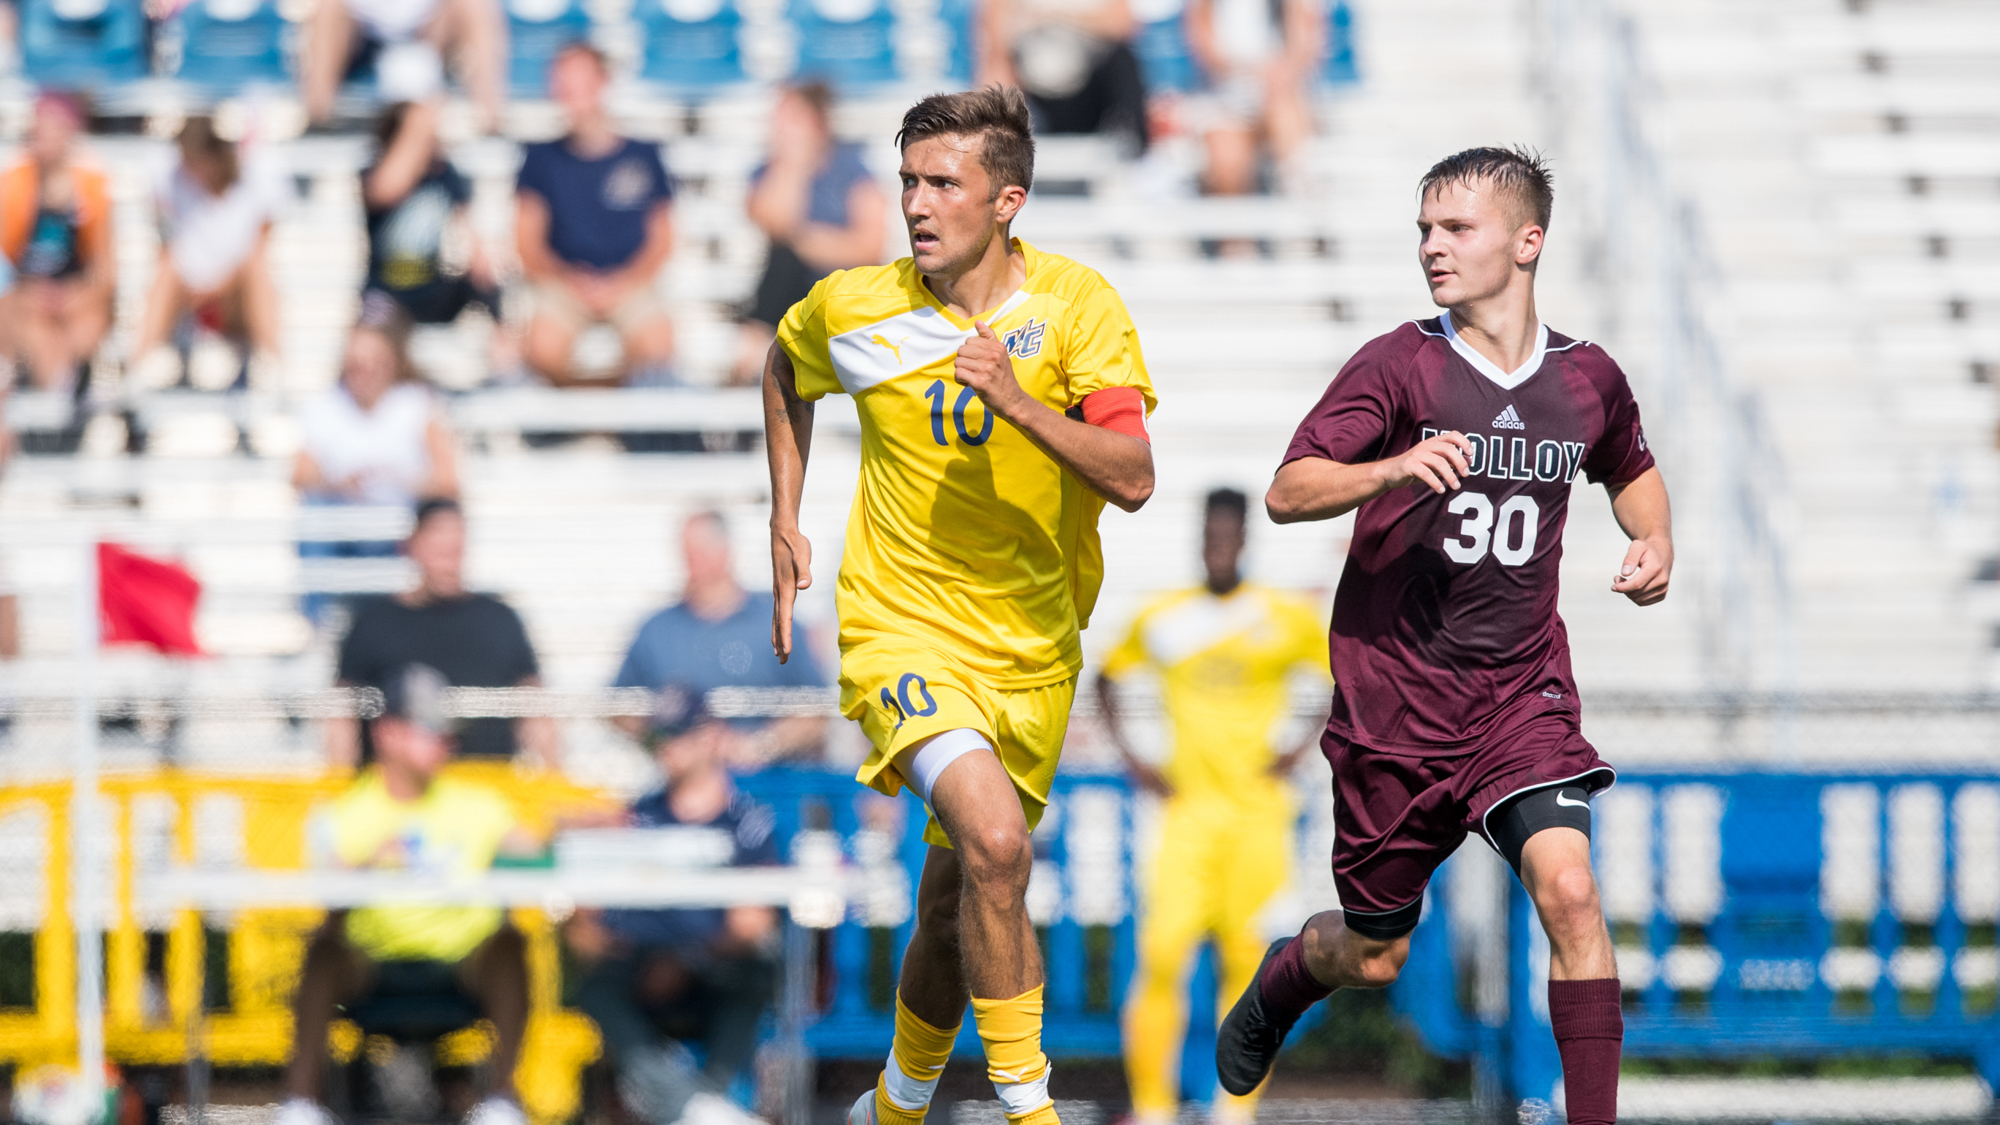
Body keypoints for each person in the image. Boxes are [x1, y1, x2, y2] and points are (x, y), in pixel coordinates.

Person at [1216, 148, 1673, 1125]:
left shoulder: (1585, 378)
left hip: (1517, 700)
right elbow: (1287, 490)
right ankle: (1289, 974)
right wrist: (1388, 470)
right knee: (1375, 952)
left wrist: (1655, 539)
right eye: (1422, 228)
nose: (1431, 246)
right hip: (1395, 709)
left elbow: (1629, 469)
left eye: (1454, 229)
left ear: (1525, 241)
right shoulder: (1398, 364)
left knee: (1571, 892)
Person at [765, 86, 1157, 1125]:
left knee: (953, 904)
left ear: (1006, 200)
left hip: (1031, 649)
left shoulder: (1076, 309)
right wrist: (783, 520)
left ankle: (892, 1107)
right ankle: (1032, 1109)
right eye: (908, 182)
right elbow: (783, 366)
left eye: (944, 183)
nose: (917, 204)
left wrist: (1019, 405)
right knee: (993, 849)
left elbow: (1131, 474)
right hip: (898, 631)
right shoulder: (857, 306)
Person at [1095, 487, 1328, 1125]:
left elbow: (1341, 680)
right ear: (1201, 539)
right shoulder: (1165, 616)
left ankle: (1235, 1112)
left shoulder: (1282, 615)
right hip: (1187, 817)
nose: (1219, 548)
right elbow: (1106, 679)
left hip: (1259, 817)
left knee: (1249, 969)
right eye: (1211, 537)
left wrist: (1298, 749)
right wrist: (1136, 761)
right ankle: (1153, 1110)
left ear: (1245, 540)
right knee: (1163, 958)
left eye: (1229, 537)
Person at [280, 663, 539, 1125]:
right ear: (389, 734)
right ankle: (301, 1105)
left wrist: (578, 826)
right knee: (320, 951)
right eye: (433, 732)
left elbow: (539, 851)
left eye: (448, 734)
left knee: (510, 945)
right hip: (372, 963)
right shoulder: (344, 812)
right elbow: (326, 898)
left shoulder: (476, 803)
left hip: (462, 961)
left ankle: (502, 1100)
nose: (446, 744)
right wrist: (365, 864)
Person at [566, 688, 778, 1125]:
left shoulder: (747, 822)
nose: (665, 747)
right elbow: (588, 917)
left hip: (712, 959)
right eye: (657, 737)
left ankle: (697, 1104)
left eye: (677, 735)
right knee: (590, 986)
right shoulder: (636, 817)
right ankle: (701, 1110)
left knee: (760, 969)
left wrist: (685, 958)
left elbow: (752, 922)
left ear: (710, 737)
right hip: (637, 960)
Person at [332, 498, 559, 769]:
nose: (449, 563)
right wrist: (340, 781)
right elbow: (341, 712)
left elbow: (534, 707)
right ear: (412, 546)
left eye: (456, 551)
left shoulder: (499, 618)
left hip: (486, 790)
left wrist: (552, 776)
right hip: (398, 796)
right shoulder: (373, 621)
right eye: (439, 551)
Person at [515, 44, 677, 387]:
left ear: (603, 83)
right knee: (540, 348)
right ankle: (592, 416)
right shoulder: (541, 158)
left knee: (658, 347)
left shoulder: (644, 155)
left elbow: (663, 240)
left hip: (630, 284)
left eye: (576, 83)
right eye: (561, 84)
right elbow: (526, 241)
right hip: (564, 286)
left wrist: (623, 282)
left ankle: (607, 417)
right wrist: (568, 279)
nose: (567, 94)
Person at [613, 511, 828, 767]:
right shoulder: (657, 630)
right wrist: (666, 743)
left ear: (724, 553)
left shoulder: (777, 622)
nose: (688, 564)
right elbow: (616, 707)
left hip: (770, 789)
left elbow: (817, 710)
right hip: (685, 794)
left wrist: (760, 745)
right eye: (686, 554)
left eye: (697, 554)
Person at [294, 320, 459, 625]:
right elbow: (299, 476)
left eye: (373, 363)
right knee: (313, 513)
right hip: (341, 526)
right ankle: (315, 623)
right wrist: (339, 484)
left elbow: (449, 480)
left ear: (391, 364)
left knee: (436, 523)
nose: (365, 372)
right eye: (357, 364)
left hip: (399, 527)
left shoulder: (416, 404)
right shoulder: (325, 406)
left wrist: (400, 482)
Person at [733, 82, 886, 385]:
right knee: (785, 262)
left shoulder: (852, 170)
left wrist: (805, 240)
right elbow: (772, 222)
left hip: (839, 287)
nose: (777, 128)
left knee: (787, 262)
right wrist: (793, 168)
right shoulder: (770, 171)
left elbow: (869, 246)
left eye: (788, 118)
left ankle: (752, 360)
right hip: (788, 290)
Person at [130, 116, 288, 391]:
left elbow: (259, 250)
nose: (189, 167)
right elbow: (165, 244)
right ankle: (139, 366)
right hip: (188, 291)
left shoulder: (257, 177)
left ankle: (273, 363)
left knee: (256, 269)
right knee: (166, 267)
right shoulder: (171, 178)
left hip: (235, 295)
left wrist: (215, 288)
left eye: (195, 159)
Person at [0, 91, 114, 392]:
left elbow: (105, 270)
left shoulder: (90, 188)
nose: (41, 139)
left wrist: (75, 296)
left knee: (83, 323)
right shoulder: (13, 185)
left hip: (71, 294)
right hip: (24, 295)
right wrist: (31, 293)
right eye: (37, 132)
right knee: (32, 323)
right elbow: (4, 269)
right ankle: (64, 395)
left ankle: (65, 394)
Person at [362, 101, 504, 333]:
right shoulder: (373, 172)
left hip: (431, 290)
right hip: (384, 293)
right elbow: (387, 189)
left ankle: (506, 354)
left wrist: (481, 262)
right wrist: (417, 127)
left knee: (486, 282)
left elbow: (471, 229)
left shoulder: (443, 173)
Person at [299, 0, 506, 133]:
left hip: (427, 32)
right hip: (362, 35)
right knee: (326, 7)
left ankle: (490, 123)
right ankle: (317, 120)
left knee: (477, 5)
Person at [1184, 0, 1321, 197]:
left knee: (1285, 117)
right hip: (1227, 98)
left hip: (1277, 95)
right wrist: (1252, 73)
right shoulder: (1207, 6)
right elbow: (1207, 51)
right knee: (1227, 163)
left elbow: (1303, 44)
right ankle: (1237, 224)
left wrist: (1280, 74)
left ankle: (1299, 198)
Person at [976, 0, 1148, 154]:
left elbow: (1122, 24)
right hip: (1035, 89)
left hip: (1091, 85)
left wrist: (1057, 17)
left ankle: (1135, 150)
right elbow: (997, 50)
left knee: (1123, 60)